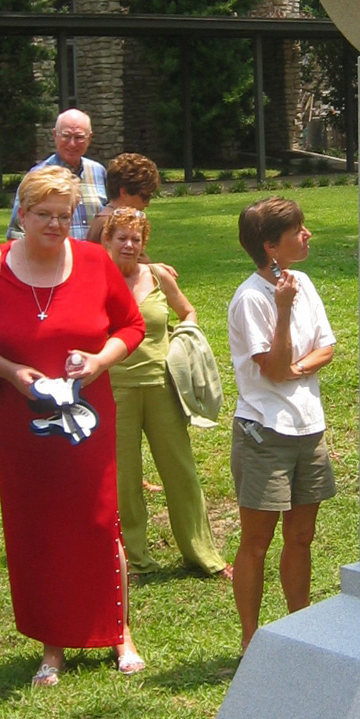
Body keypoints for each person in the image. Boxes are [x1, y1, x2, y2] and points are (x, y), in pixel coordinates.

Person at [0, 166, 146, 686]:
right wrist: (10, 372)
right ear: (21, 215)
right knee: (39, 527)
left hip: (88, 420)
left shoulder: (94, 260)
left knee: (98, 520)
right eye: (43, 214)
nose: (55, 224)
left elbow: (130, 325)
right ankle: (52, 642)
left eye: (64, 216)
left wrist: (99, 360)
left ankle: (118, 631)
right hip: (21, 424)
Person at [227, 197, 336, 653]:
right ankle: (251, 640)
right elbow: (272, 368)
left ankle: (300, 629)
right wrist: (284, 310)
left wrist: (297, 369)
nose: (307, 235)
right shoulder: (252, 298)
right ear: (271, 247)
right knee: (256, 542)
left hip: (308, 428)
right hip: (264, 434)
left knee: (301, 537)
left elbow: (326, 348)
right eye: (297, 231)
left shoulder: (303, 282)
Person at [103, 207, 230, 579]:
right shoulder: (94, 279)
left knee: (181, 473)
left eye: (136, 239)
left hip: (162, 386)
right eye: (122, 238)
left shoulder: (158, 275)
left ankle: (203, 555)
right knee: (124, 480)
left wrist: (185, 340)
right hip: (115, 390)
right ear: (107, 239)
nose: (129, 245)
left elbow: (187, 311)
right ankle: (135, 560)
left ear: (144, 243)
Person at [6, 110, 107, 241]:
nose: (72, 143)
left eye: (79, 137)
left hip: (94, 254)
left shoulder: (99, 172)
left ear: (89, 138)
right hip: (52, 254)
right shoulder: (37, 176)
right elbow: (16, 233)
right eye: (66, 136)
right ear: (55, 135)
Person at [87, 153, 161, 245]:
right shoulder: (115, 226)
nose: (147, 204)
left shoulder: (102, 219)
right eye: (145, 197)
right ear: (124, 192)